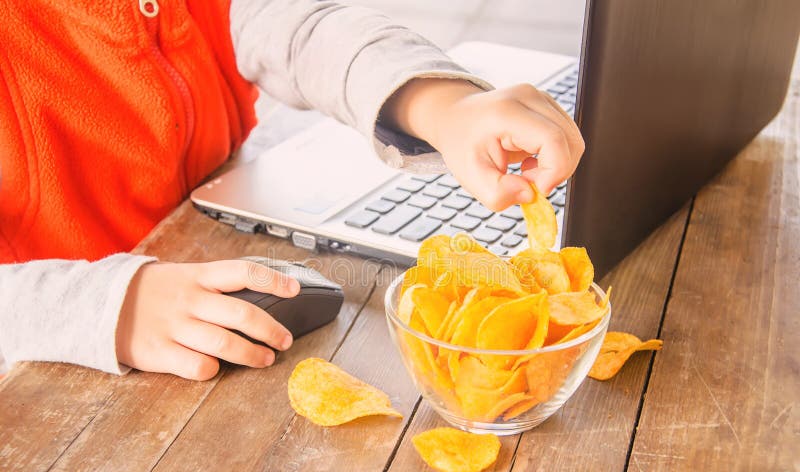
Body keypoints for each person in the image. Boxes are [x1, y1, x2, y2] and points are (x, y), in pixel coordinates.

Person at [0, 0, 584, 380]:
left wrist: (436, 102)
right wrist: (114, 307)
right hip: (48, 360)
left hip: (209, 247)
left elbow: (300, 26)